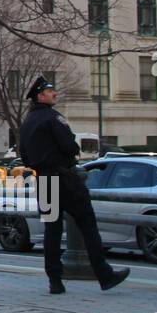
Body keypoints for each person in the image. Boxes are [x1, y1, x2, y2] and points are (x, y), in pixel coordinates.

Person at [18, 75, 130, 295]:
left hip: (44, 180)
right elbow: (70, 146)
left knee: (52, 230)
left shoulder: (27, 122)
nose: (55, 94)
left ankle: (55, 280)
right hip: (64, 178)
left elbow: (25, 154)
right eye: (51, 91)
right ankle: (104, 274)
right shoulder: (53, 118)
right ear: (41, 96)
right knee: (87, 223)